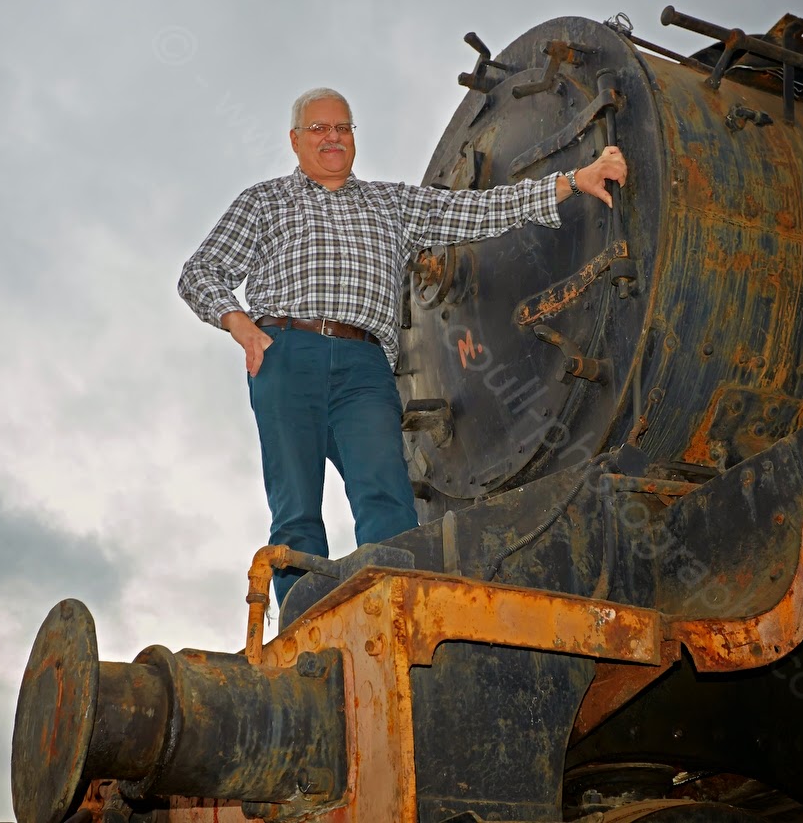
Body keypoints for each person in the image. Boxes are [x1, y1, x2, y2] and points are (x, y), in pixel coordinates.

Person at [178, 87, 628, 606]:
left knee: (387, 495)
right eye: (319, 129)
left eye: (342, 128)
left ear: (353, 137)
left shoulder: (392, 203)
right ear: (296, 140)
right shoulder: (264, 201)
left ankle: (392, 608)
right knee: (296, 507)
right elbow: (201, 271)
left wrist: (573, 181)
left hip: (365, 364)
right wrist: (240, 323)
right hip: (285, 352)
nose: (332, 138)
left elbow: (478, 211)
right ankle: (305, 625)